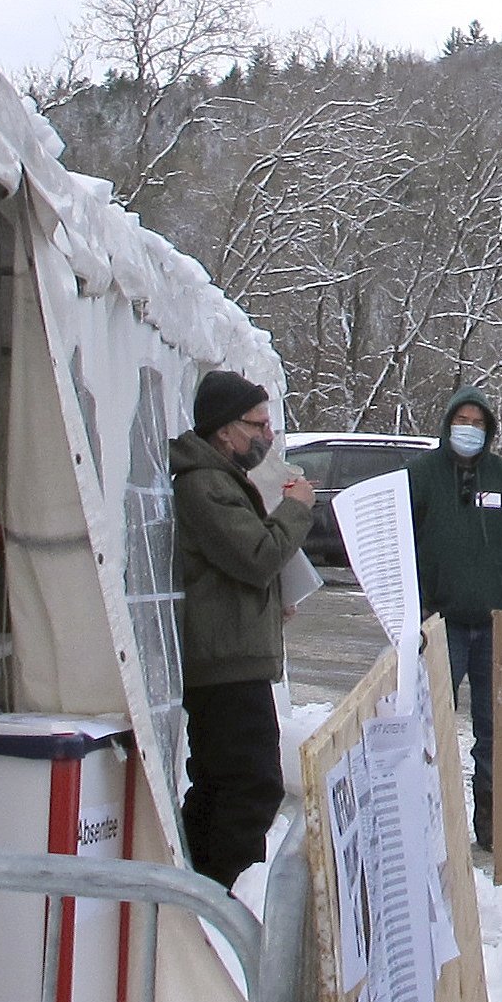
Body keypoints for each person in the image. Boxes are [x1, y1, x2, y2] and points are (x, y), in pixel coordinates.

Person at [171, 369, 315, 888]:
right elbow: (257, 555)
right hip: (223, 665)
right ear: (224, 429)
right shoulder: (205, 485)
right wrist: (297, 511)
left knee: (222, 783)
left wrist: (274, 597)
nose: (266, 435)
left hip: (231, 656)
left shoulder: (219, 479)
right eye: (256, 424)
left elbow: (237, 567)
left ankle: (207, 890)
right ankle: (222, 892)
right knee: (249, 785)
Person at [406, 384, 502, 848]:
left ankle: (493, 826)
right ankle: (431, 826)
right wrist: (419, 607)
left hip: (494, 630)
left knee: (496, 729)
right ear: (447, 424)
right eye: (461, 421)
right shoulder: (420, 477)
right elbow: (397, 541)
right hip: (439, 628)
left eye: (477, 423)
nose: (468, 430)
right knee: (429, 728)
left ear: (489, 431)